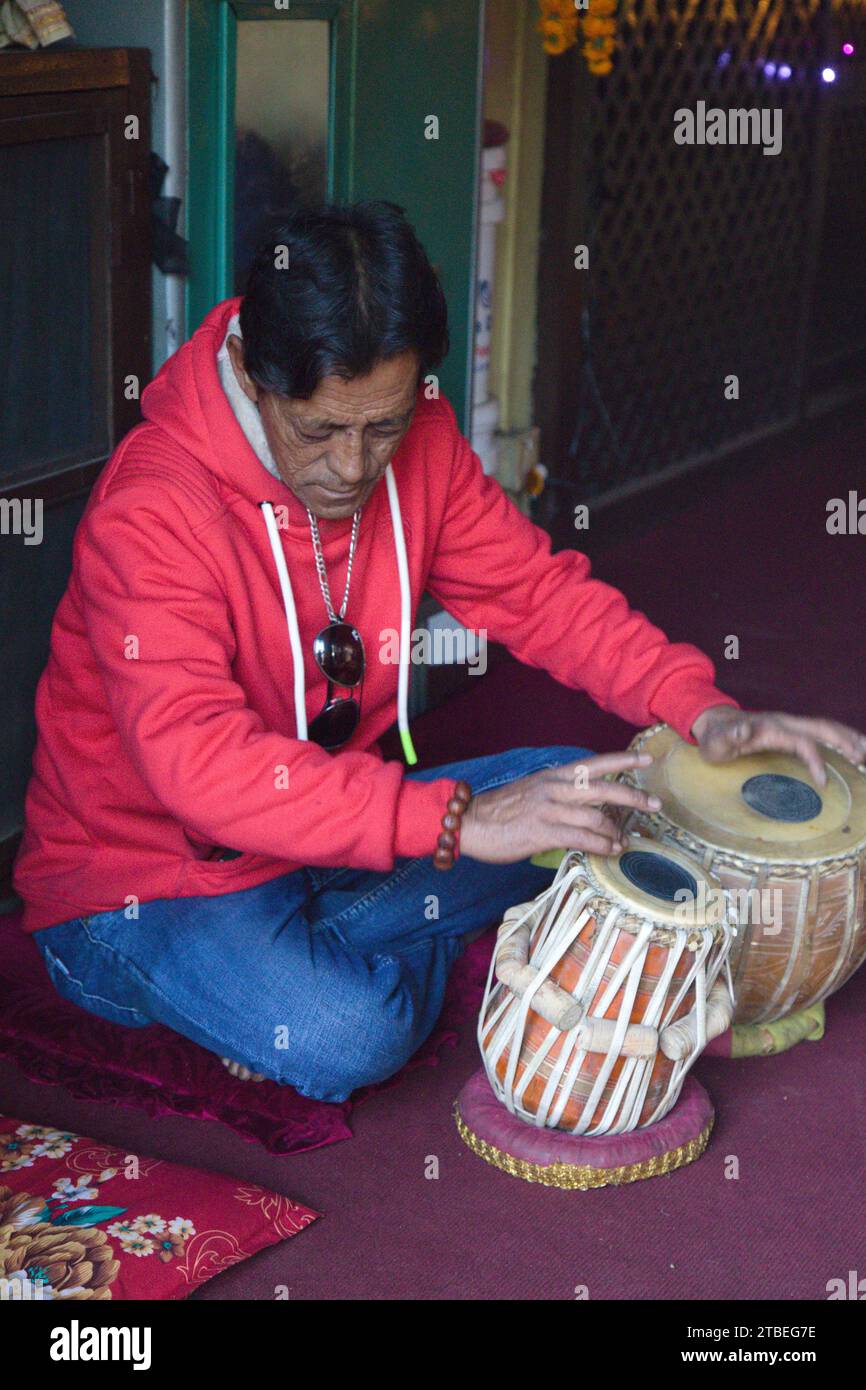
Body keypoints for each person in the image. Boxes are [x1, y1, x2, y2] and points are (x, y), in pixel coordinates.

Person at [14, 201, 865, 1101]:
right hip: (150, 880)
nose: (352, 466)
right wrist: (459, 822)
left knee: (603, 796)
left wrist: (699, 707)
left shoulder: (419, 438)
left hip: (328, 825)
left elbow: (536, 595)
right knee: (350, 1033)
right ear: (246, 372)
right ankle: (333, 956)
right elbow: (199, 767)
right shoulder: (151, 513)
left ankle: (328, 938)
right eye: (320, 431)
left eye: (380, 429)